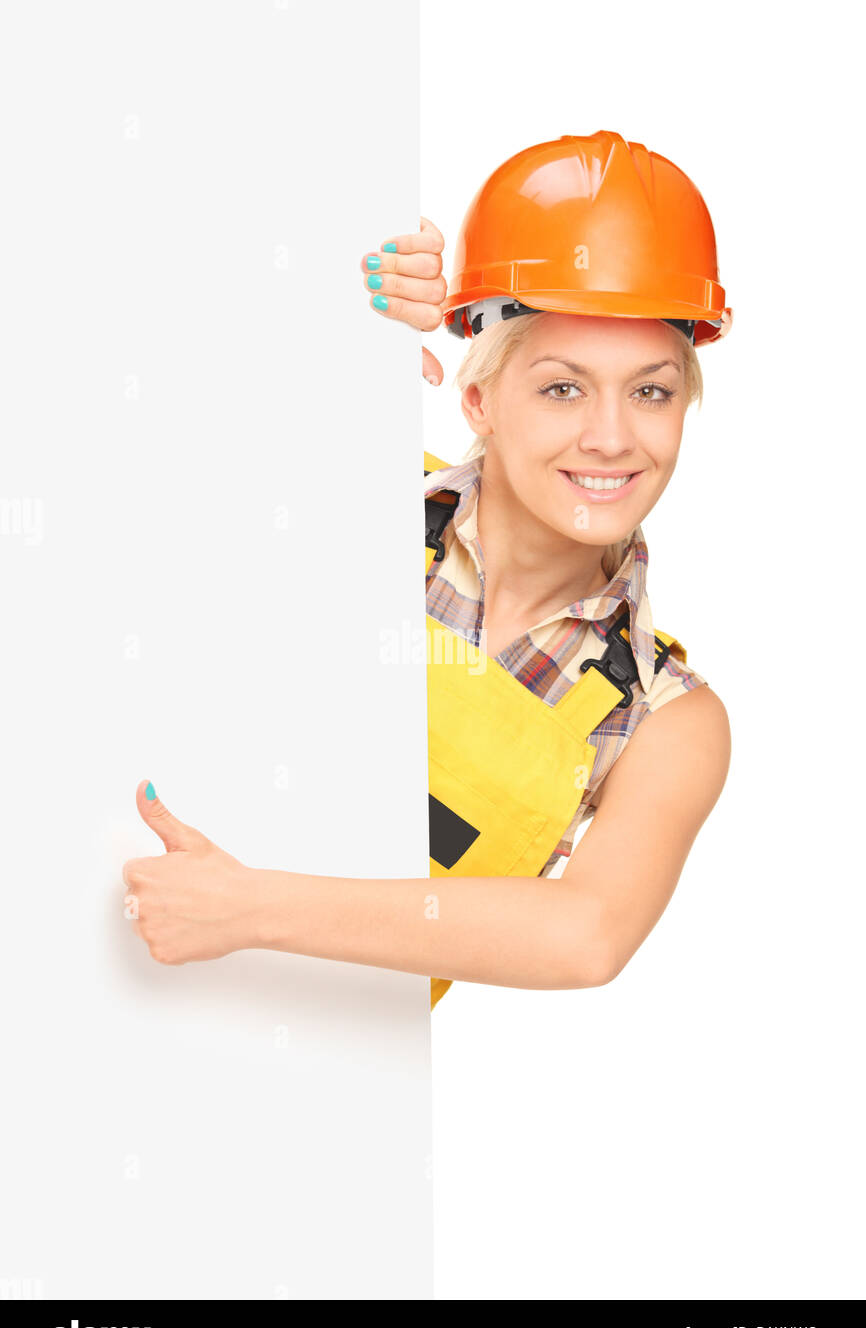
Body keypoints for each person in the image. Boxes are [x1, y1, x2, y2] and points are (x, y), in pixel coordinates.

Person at [122, 132, 731, 1010]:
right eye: (563, 386)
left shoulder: (663, 718)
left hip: (335, 1085)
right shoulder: (350, 494)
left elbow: (586, 934)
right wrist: (322, 329)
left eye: (651, 391)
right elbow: (145, 425)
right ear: (479, 401)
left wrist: (245, 909)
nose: (612, 437)